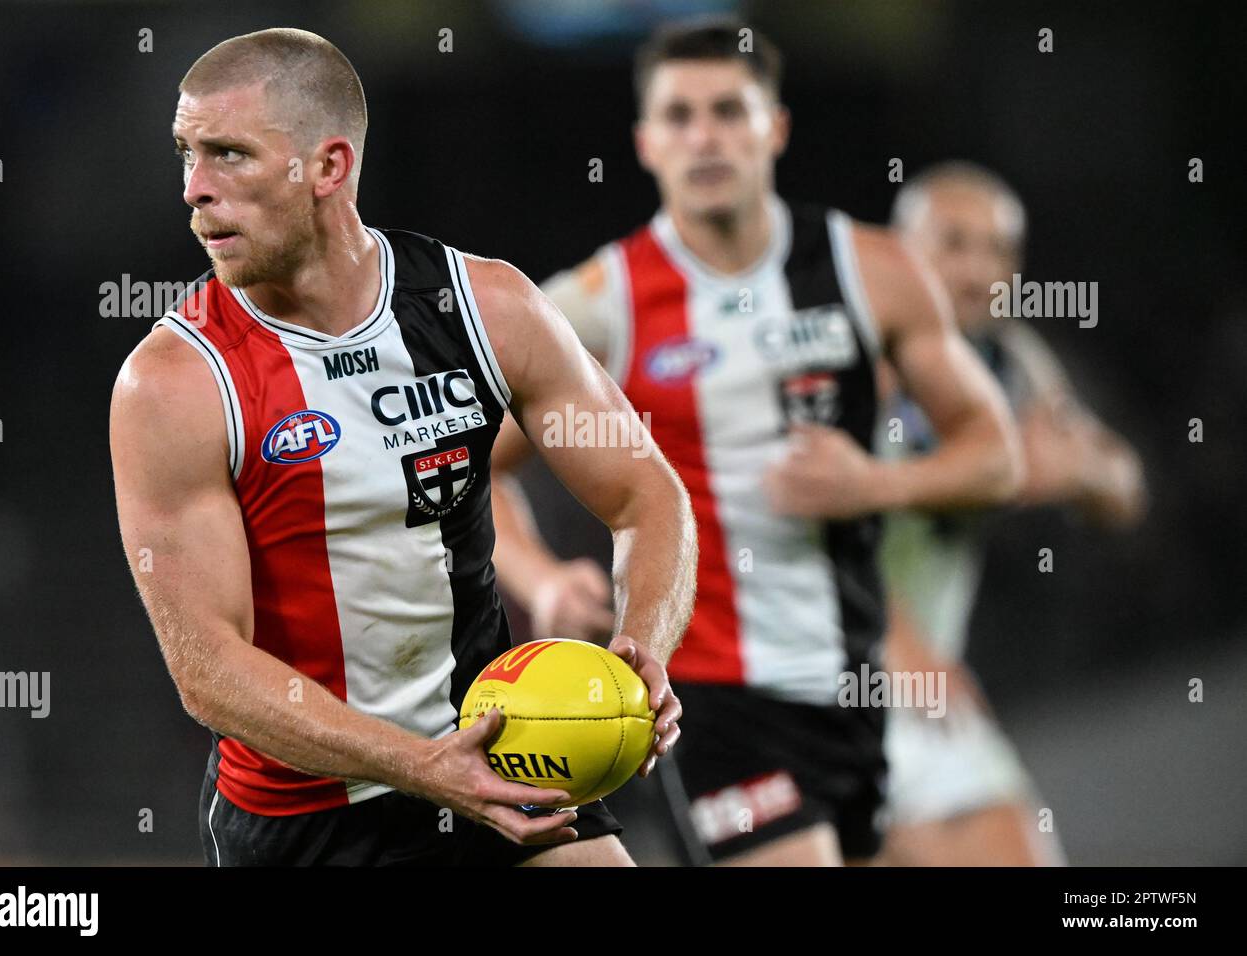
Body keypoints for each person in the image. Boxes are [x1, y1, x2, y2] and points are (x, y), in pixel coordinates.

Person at [108, 28, 696, 867]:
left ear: (329, 167)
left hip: (498, 764)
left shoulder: (485, 308)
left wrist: (646, 647)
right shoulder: (173, 384)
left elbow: (647, 495)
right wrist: (422, 766)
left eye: (228, 154)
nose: (195, 190)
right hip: (306, 819)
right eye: (186, 154)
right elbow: (209, 668)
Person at [489, 18, 1022, 866]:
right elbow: (474, 471)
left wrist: (872, 486)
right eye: (680, 115)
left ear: (774, 128)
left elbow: (996, 453)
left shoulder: (869, 269)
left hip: (851, 685)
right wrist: (543, 579)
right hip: (708, 697)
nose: (705, 136)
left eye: (729, 112)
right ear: (645, 142)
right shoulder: (602, 299)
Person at [878, 161, 1147, 866]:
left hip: (918, 692)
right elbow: (787, 525)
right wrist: (899, 648)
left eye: (998, 250)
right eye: (954, 243)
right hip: (819, 681)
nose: (978, 269)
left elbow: (1124, 483)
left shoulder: (1011, 365)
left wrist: (1079, 473)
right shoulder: (856, 355)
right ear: (902, 249)